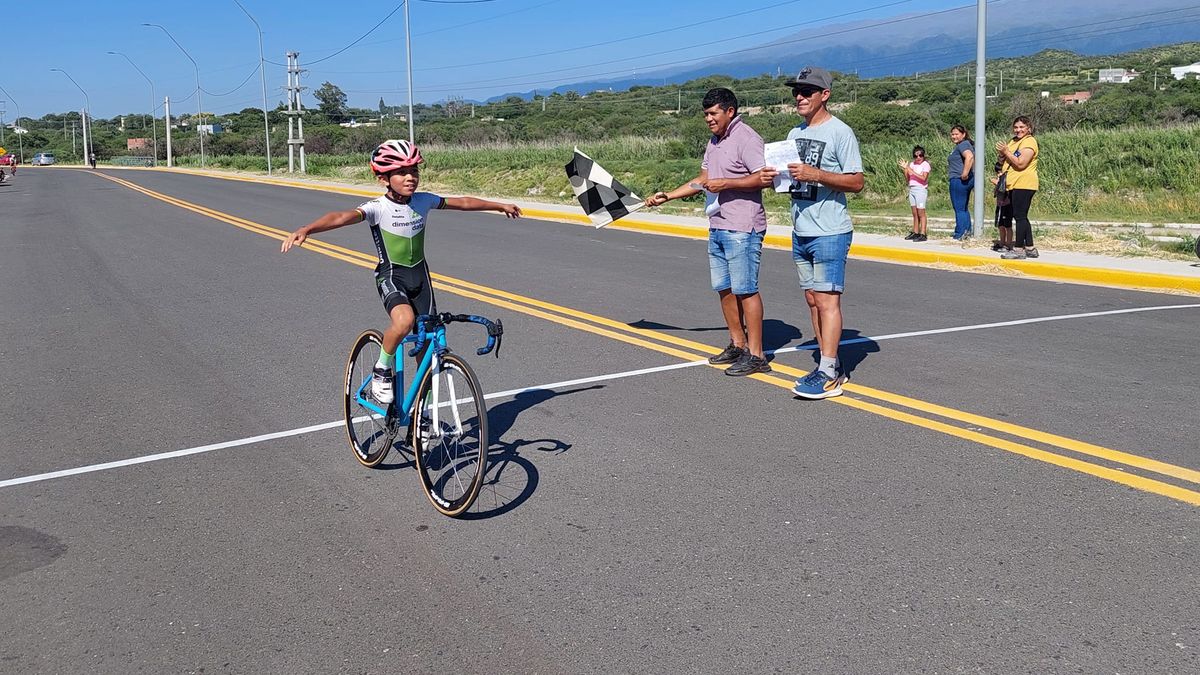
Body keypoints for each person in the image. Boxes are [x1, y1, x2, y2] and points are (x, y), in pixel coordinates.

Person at [281, 139, 521, 403]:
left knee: (429, 353)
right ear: (384, 178)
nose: (411, 178)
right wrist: (307, 229)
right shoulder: (377, 208)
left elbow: (462, 202)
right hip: (392, 276)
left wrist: (499, 205)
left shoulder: (424, 201)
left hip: (421, 278)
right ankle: (381, 369)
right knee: (404, 322)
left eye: (414, 171)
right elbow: (340, 217)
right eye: (402, 172)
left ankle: (423, 417)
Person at [645, 87, 774, 376]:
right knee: (724, 289)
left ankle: (757, 355)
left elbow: (763, 178)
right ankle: (737, 344)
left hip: (743, 226)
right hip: (718, 225)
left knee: (746, 290)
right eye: (705, 114)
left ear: (730, 111)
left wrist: (726, 183)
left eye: (713, 113)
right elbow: (703, 179)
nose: (708, 119)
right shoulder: (714, 141)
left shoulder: (748, 138)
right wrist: (669, 195)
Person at [761, 66, 864, 400]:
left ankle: (830, 372)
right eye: (796, 91)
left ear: (825, 95)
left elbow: (856, 181)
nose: (800, 97)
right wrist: (773, 177)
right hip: (801, 229)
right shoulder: (793, 134)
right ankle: (825, 363)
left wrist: (815, 173)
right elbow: (790, 180)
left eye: (807, 91)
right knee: (811, 299)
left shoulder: (840, 132)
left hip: (830, 229)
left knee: (827, 299)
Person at [994, 116, 1039, 259]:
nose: (1018, 130)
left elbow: (1021, 163)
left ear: (1029, 128)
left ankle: (1019, 249)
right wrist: (1002, 155)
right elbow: (1004, 160)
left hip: (1024, 183)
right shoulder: (1013, 141)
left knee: (1019, 216)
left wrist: (1006, 152)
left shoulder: (1029, 142)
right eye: (1016, 127)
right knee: (1021, 216)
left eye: (1021, 127)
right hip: (1013, 183)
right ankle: (1030, 247)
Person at [947, 125, 975, 240]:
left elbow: (969, 157)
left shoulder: (963, 144)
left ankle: (960, 233)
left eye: (956, 134)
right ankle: (967, 231)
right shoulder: (964, 145)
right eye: (952, 134)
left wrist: (964, 173)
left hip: (959, 180)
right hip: (965, 179)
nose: (954, 136)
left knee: (959, 208)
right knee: (963, 207)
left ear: (963, 134)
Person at [899, 146, 930, 242]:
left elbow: (923, 178)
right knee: (914, 213)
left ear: (923, 155)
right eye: (916, 156)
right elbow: (908, 178)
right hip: (912, 189)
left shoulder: (925, 165)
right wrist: (905, 169)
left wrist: (911, 170)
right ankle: (915, 232)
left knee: (921, 213)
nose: (918, 158)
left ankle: (923, 233)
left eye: (920, 155)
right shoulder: (912, 164)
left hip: (920, 190)